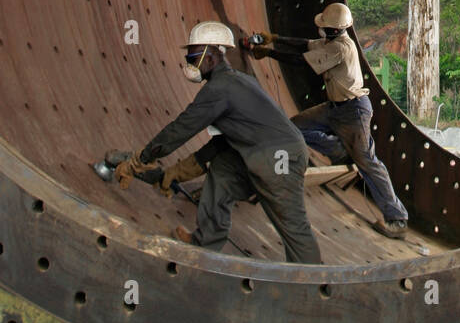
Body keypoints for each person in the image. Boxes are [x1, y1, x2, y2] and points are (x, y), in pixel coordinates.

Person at [116, 21, 321, 264]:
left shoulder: (219, 89)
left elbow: (181, 129)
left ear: (212, 56)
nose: (190, 62)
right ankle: (205, 245)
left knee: (292, 225)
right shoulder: (238, 82)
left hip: (280, 158)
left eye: (194, 56)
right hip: (259, 151)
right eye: (188, 56)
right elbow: (224, 143)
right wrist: (178, 172)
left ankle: (312, 284)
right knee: (223, 172)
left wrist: (140, 160)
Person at [242, 2, 409, 238]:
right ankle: (339, 149)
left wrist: (269, 53)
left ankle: (397, 219)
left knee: (368, 163)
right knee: (293, 128)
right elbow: (306, 45)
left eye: (326, 29)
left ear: (334, 30)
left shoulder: (340, 48)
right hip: (334, 108)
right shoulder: (333, 40)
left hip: (353, 113)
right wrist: (275, 38)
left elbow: (303, 60)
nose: (322, 31)